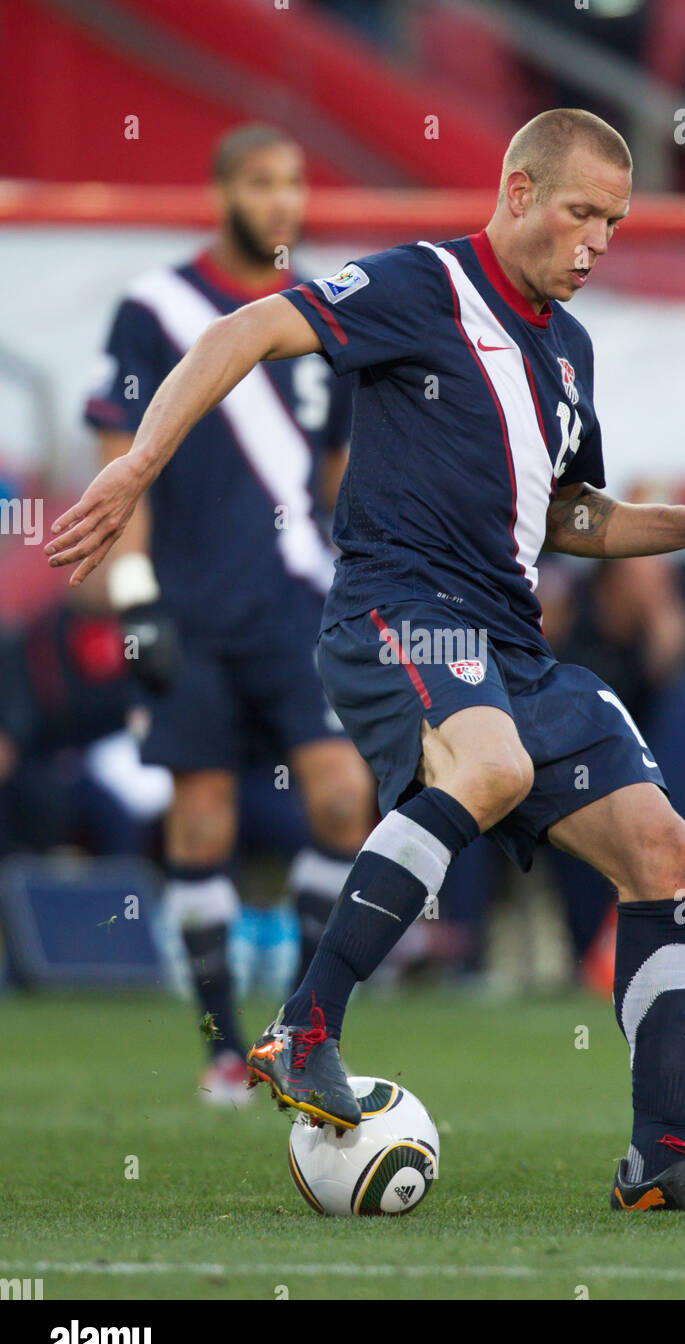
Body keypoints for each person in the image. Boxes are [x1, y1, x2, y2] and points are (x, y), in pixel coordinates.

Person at [48, 108, 685, 1211]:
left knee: (662, 849)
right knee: (488, 769)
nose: (596, 241)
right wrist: (137, 465)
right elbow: (241, 333)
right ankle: (301, 1027)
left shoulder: (567, 350)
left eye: (615, 224)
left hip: (511, 642)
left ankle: (661, 1152)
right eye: (581, 212)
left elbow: (566, 517)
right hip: (398, 610)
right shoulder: (419, 283)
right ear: (519, 190)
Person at [82, 124, 373, 1104]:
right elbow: (120, 457)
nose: (282, 202)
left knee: (341, 801)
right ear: (221, 192)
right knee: (199, 824)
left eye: (294, 182)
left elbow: (336, 473)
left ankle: (296, 1027)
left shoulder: (326, 311)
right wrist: (134, 597)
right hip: (193, 608)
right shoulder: (155, 310)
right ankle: (219, 1046)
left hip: (297, 602)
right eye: (261, 183)